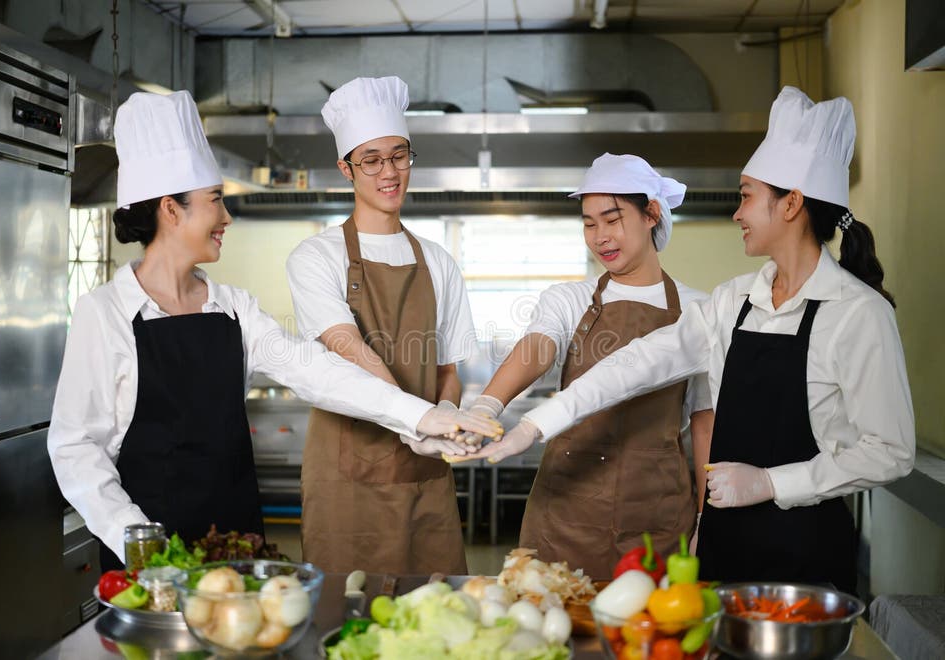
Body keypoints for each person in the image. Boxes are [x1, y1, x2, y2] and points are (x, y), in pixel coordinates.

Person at [469, 87, 915, 594]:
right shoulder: (732, 303)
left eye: (746, 195)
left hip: (804, 549)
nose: (737, 212)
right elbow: (636, 364)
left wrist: (773, 483)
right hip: (726, 543)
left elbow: (891, 451)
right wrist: (533, 424)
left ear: (790, 204)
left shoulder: (858, 313)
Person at [47, 90, 500, 571]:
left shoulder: (232, 306)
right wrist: (137, 540)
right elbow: (75, 445)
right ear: (171, 209)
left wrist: (422, 418)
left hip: (237, 535)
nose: (226, 217)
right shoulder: (106, 312)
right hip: (148, 551)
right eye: (216, 201)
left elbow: (316, 370)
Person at [453, 154, 714, 578]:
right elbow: (538, 346)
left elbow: (705, 422)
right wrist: (487, 404)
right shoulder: (570, 299)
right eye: (589, 223)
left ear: (651, 214)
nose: (600, 237)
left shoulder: (699, 309)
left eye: (612, 219)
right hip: (566, 512)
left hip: (656, 519)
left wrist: (709, 519)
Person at [286, 76, 480, 575]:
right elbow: (346, 344)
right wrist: (414, 419)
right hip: (345, 479)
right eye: (371, 160)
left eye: (399, 155)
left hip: (425, 474)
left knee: (436, 623)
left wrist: (444, 418)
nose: (389, 172)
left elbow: (447, 371)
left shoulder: (438, 262)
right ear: (345, 169)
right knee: (346, 627)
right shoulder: (317, 256)